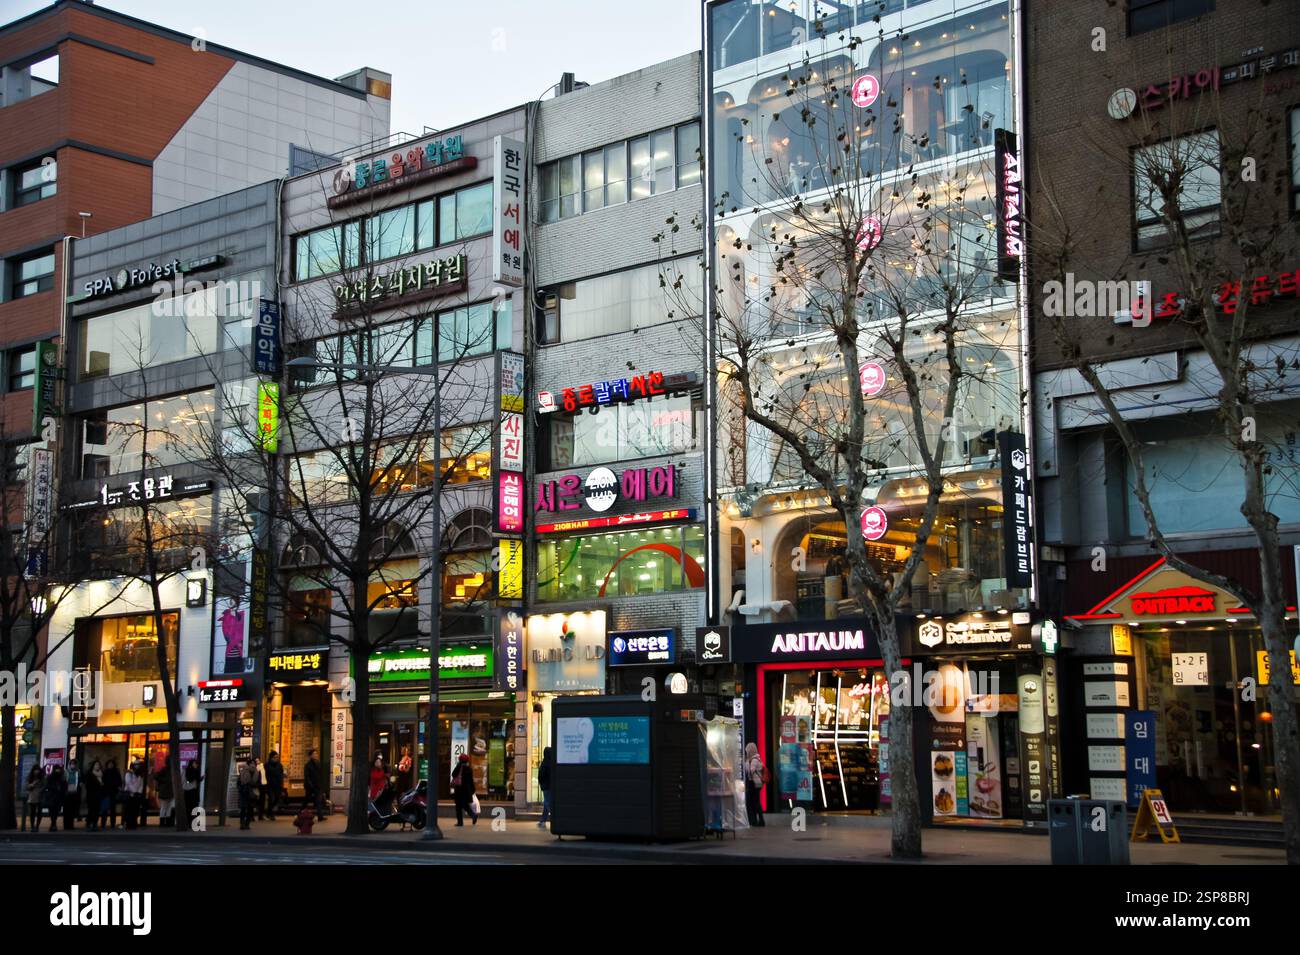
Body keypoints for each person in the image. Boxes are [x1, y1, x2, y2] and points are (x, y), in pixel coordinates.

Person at [450, 753, 477, 826]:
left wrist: (458, 765)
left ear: (460, 760)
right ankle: (473, 815)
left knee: (458, 806)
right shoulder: (469, 769)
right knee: (465, 805)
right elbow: (471, 780)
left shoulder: (459, 767)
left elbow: (453, 774)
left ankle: (460, 822)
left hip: (459, 789)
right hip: (466, 790)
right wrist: (473, 790)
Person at [745, 742, 767, 828]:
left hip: (754, 783)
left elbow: (751, 771)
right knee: (754, 802)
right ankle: (756, 820)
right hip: (755, 783)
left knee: (754, 802)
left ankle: (759, 821)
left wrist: (747, 763)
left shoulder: (754, 760)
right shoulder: (756, 758)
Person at [43, 766, 68, 832]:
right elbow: (47, 786)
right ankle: (53, 824)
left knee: (56, 811)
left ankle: (53, 824)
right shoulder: (50, 777)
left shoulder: (62, 778)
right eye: (56, 769)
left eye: (58, 769)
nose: (57, 771)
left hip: (58, 797)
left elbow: (65, 787)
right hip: (51, 797)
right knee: (51, 811)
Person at [121, 761, 144, 829]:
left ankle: (134, 823)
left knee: (136, 810)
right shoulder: (129, 773)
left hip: (137, 795)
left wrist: (139, 792)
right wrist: (134, 791)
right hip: (129, 794)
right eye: (136, 765)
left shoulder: (140, 774)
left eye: (138, 765)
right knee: (129, 810)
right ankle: (128, 824)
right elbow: (128, 783)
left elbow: (141, 784)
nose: (137, 766)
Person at [304, 749, 325, 822]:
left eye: (316, 753)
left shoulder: (318, 763)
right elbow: (307, 776)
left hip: (318, 785)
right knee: (306, 800)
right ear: (310, 756)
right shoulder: (308, 765)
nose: (316, 755)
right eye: (314, 754)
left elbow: (320, 775)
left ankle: (320, 816)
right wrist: (311, 785)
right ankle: (300, 812)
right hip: (310, 786)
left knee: (319, 801)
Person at [153, 756, 175, 827]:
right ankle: (166, 822)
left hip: (165, 790)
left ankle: (163, 822)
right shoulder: (169, 770)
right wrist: (164, 781)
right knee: (167, 807)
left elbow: (156, 776)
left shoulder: (164, 769)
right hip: (169, 790)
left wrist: (162, 781)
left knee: (164, 807)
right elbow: (156, 776)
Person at [237, 758, 258, 830]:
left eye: (254, 763)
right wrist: (241, 788)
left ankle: (247, 823)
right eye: (251, 763)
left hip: (251, 793)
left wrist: (254, 786)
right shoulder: (243, 771)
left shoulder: (257, 772)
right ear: (248, 764)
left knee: (250, 809)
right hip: (244, 792)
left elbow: (258, 782)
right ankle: (242, 823)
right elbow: (239, 782)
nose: (253, 765)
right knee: (243, 809)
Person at [537, 746, 555, 829]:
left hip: (546, 786)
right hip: (551, 785)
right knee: (546, 802)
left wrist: (541, 783)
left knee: (547, 802)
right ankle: (543, 820)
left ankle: (555, 817)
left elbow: (541, 775)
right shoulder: (552, 763)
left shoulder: (544, 763)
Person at [84, 760, 105, 831]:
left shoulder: (102, 774)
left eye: (98, 765)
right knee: (91, 810)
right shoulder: (90, 774)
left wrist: (102, 786)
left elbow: (104, 783)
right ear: (93, 766)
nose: (97, 766)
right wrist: (98, 785)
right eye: (96, 765)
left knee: (97, 810)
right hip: (91, 795)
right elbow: (88, 785)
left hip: (99, 795)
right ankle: (89, 823)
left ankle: (95, 823)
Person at [102, 759, 123, 830]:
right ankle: (104, 823)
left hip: (113, 793)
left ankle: (112, 823)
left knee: (112, 810)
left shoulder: (116, 772)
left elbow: (119, 782)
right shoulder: (105, 772)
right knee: (105, 809)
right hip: (106, 793)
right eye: (109, 764)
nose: (110, 765)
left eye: (111, 764)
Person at [264, 752, 284, 821]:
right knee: (271, 799)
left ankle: (269, 811)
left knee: (276, 798)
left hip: (278, 785)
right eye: (275, 757)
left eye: (277, 757)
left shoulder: (280, 765)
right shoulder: (267, 765)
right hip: (269, 785)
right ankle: (270, 814)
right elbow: (266, 775)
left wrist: (281, 785)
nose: (276, 759)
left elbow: (281, 775)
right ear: (271, 758)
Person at [182, 759, 202, 828]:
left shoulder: (186, 771)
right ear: (192, 764)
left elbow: (184, 780)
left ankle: (190, 822)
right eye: (195, 763)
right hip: (192, 791)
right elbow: (191, 779)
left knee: (189, 807)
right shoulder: (194, 771)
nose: (196, 765)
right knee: (193, 807)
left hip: (188, 791)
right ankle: (193, 822)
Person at [25, 765, 45, 831]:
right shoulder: (30, 777)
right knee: (32, 813)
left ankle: (37, 826)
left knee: (39, 812)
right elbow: (27, 786)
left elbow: (44, 786)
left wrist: (40, 790)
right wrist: (32, 784)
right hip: (32, 796)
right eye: (35, 770)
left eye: (37, 770)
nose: (36, 771)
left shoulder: (42, 777)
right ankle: (32, 826)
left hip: (40, 797)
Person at [63, 761, 82, 830]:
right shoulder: (66, 772)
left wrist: (80, 785)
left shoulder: (78, 772)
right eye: (71, 764)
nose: (73, 765)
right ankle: (66, 825)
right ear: (69, 765)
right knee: (67, 810)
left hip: (74, 793)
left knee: (72, 810)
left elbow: (79, 781)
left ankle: (71, 825)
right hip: (67, 793)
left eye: (74, 764)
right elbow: (63, 781)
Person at [254, 756, 268, 821]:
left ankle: (261, 815)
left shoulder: (263, 766)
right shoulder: (256, 768)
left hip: (263, 785)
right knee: (260, 801)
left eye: (258, 760)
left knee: (262, 800)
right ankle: (260, 815)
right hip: (260, 785)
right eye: (256, 761)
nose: (257, 762)